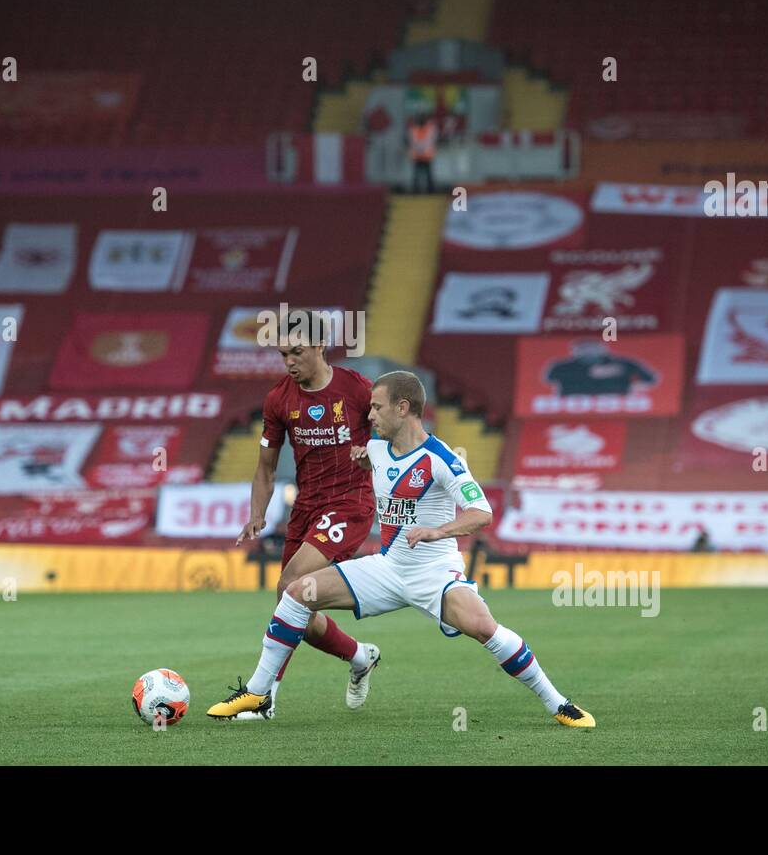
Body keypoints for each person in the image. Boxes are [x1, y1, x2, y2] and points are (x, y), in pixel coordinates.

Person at [210, 369, 595, 728]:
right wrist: (362, 462)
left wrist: (437, 531)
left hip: (434, 573)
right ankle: (259, 694)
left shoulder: (441, 458)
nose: (370, 414)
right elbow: (375, 468)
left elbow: (483, 513)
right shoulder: (375, 450)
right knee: (295, 593)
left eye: (376, 407)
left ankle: (558, 703)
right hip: (389, 568)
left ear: (403, 407)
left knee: (483, 627)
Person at [230, 308, 381, 719]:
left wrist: (376, 454)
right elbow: (265, 465)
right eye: (283, 355)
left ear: (319, 346)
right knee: (292, 604)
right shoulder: (279, 398)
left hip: (350, 503)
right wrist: (257, 514)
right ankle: (359, 655)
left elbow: (396, 431)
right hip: (307, 508)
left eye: (296, 352)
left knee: (292, 583)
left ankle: (264, 697)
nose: (289, 362)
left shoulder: (357, 389)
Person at [407, 113, 437, 193]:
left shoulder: (430, 129)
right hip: (418, 156)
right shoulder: (414, 130)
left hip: (425, 156)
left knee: (428, 175)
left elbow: (430, 140)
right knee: (417, 175)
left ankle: (430, 190)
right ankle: (416, 190)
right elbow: (413, 141)